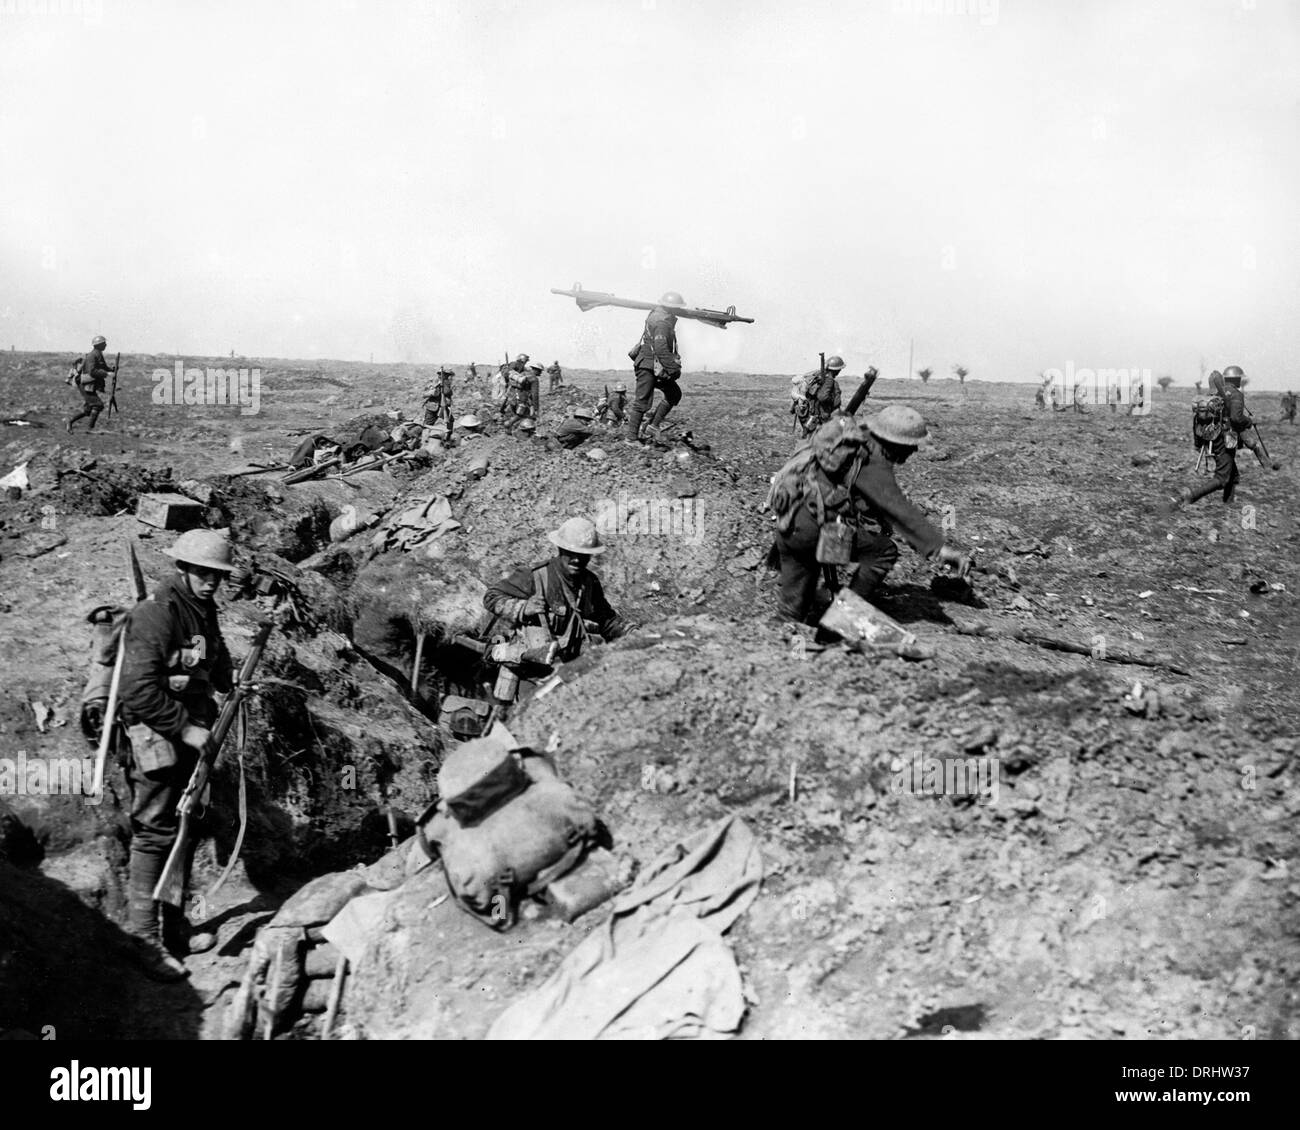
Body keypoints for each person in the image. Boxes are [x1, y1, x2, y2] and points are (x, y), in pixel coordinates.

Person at [118, 530, 235, 980]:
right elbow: (138, 690)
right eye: (204, 574)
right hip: (159, 735)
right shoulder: (157, 613)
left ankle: (174, 927)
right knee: (155, 832)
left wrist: (231, 675)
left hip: (194, 735)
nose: (211, 583)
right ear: (183, 569)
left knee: (186, 825)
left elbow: (214, 670)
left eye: (218, 576)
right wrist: (184, 727)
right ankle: (144, 939)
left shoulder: (203, 611)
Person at [771, 409, 970, 624]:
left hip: (790, 525)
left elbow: (862, 501)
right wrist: (939, 549)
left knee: (792, 611)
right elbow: (898, 507)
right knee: (883, 551)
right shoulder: (869, 461)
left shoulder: (849, 442)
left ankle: (780, 643)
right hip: (814, 532)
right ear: (895, 443)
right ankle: (841, 619)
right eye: (910, 445)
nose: (913, 450)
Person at [482, 518, 627, 699]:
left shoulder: (590, 583)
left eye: (583, 554)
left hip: (568, 673)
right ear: (560, 549)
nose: (576, 559)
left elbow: (607, 621)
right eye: (571, 552)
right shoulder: (535, 576)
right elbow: (491, 597)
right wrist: (522, 608)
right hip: (531, 674)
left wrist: (634, 633)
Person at [625, 292, 683, 442]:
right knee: (642, 402)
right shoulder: (662, 322)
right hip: (648, 365)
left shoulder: (658, 315)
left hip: (652, 364)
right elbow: (661, 349)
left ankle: (652, 426)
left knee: (674, 393)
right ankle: (630, 439)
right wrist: (673, 369)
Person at [67, 334, 116, 433]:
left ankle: (70, 422)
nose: (105, 344)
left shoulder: (98, 354)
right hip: (85, 385)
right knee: (98, 405)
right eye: (104, 343)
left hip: (89, 385)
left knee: (88, 409)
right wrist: (107, 374)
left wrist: (111, 369)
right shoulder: (92, 355)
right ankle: (90, 429)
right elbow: (92, 371)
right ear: (99, 345)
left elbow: (102, 366)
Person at [795, 355, 845, 437]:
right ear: (837, 370)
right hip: (823, 420)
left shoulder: (818, 379)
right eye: (839, 369)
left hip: (811, 417)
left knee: (807, 441)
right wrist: (832, 400)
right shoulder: (830, 381)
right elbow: (823, 397)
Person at [423, 366, 455, 439]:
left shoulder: (446, 383)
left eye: (449, 375)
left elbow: (448, 393)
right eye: (448, 375)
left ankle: (448, 437)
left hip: (443, 406)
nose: (450, 377)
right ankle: (425, 439)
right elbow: (425, 394)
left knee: (450, 420)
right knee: (428, 424)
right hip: (433, 406)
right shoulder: (435, 383)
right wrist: (433, 391)